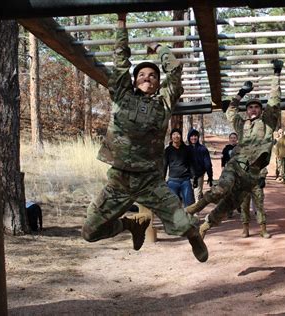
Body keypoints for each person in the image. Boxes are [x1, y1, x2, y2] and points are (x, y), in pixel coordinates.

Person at [81, 13, 208, 263]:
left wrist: (158, 48)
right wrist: (121, 23)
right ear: (133, 81)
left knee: (181, 222)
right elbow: (120, 62)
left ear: (158, 82)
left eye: (152, 75)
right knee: (90, 232)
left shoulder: (164, 102)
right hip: (120, 179)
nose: (147, 78)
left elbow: (175, 70)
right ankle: (130, 224)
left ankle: (194, 235)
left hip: (150, 180)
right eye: (141, 75)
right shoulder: (121, 96)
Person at [187, 59, 284, 239]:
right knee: (221, 189)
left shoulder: (268, 122)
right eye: (250, 107)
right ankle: (195, 207)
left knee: (229, 204)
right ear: (247, 111)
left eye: (256, 107)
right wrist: (241, 93)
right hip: (236, 164)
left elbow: (274, 99)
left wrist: (276, 74)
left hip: (252, 174)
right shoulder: (241, 124)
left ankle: (206, 225)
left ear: (261, 110)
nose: (253, 109)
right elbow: (230, 110)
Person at [164, 128, 195, 207]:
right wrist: (162, 178)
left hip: (185, 180)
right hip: (172, 181)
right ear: (171, 137)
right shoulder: (168, 150)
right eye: (174, 134)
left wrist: (194, 177)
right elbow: (165, 165)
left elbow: (191, 164)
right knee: (173, 205)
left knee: (189, 204)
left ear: (181, 136)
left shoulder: (187, 149)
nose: (176, 136)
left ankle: (189, 219)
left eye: (178, 134)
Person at [240, 167, 270, 238]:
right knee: (244, 206)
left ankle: (263, 230)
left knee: (259, 206)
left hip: (256, 181)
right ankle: (245, 229)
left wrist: (262, 177)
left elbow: (262, 163)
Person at [187, 129, 213, 202]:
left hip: (199, 176)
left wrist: (210, 176)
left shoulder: (203, 149)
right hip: (188, 176)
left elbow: (208, 164)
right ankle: (190, 212)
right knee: (189, 196)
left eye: (195, 136)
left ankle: (195, 213)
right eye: (191, 136)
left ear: (198, 137)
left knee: (197, 195)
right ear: (189, 137)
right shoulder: (186, 149)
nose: (193, 138)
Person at [221, 132, 240, 217]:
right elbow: (223, 160)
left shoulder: (240, 148)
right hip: (228, 172)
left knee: (238, 191)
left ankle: (239, 206)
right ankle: (229, 211)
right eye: (231, 138)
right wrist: (223, 170)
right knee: (228, 192)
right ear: (229, 139)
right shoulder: (226, 149)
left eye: (234, 138)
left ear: (237, 139)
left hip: (239, 173)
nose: (233, 139)